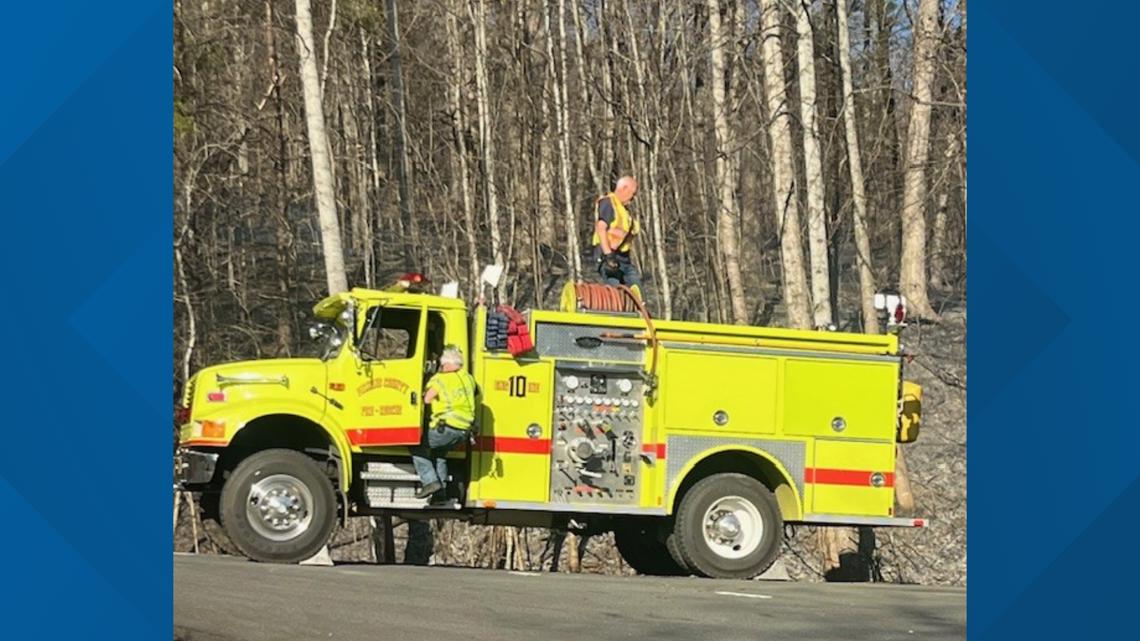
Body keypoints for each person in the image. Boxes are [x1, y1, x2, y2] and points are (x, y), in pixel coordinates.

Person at [411, 345, 477, 502]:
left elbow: (426, 399)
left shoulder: (440, 379)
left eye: (442, 364)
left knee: (417, 444)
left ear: (447, 364)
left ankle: (430, 482)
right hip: (463, 432)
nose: (441, 366)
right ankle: (440, 495)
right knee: (439, 454)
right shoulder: (469, 379)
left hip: (446, 428)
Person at [592, 176, 643, 298]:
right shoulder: (609, 203)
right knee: (615, 295)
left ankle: (640, 313)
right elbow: (601, 228)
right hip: (609, 258)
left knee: (638, 294)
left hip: (624, 260)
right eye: (632, 193)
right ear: (624, 188)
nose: (633, 198)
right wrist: (609, 255)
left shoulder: (624, 211)